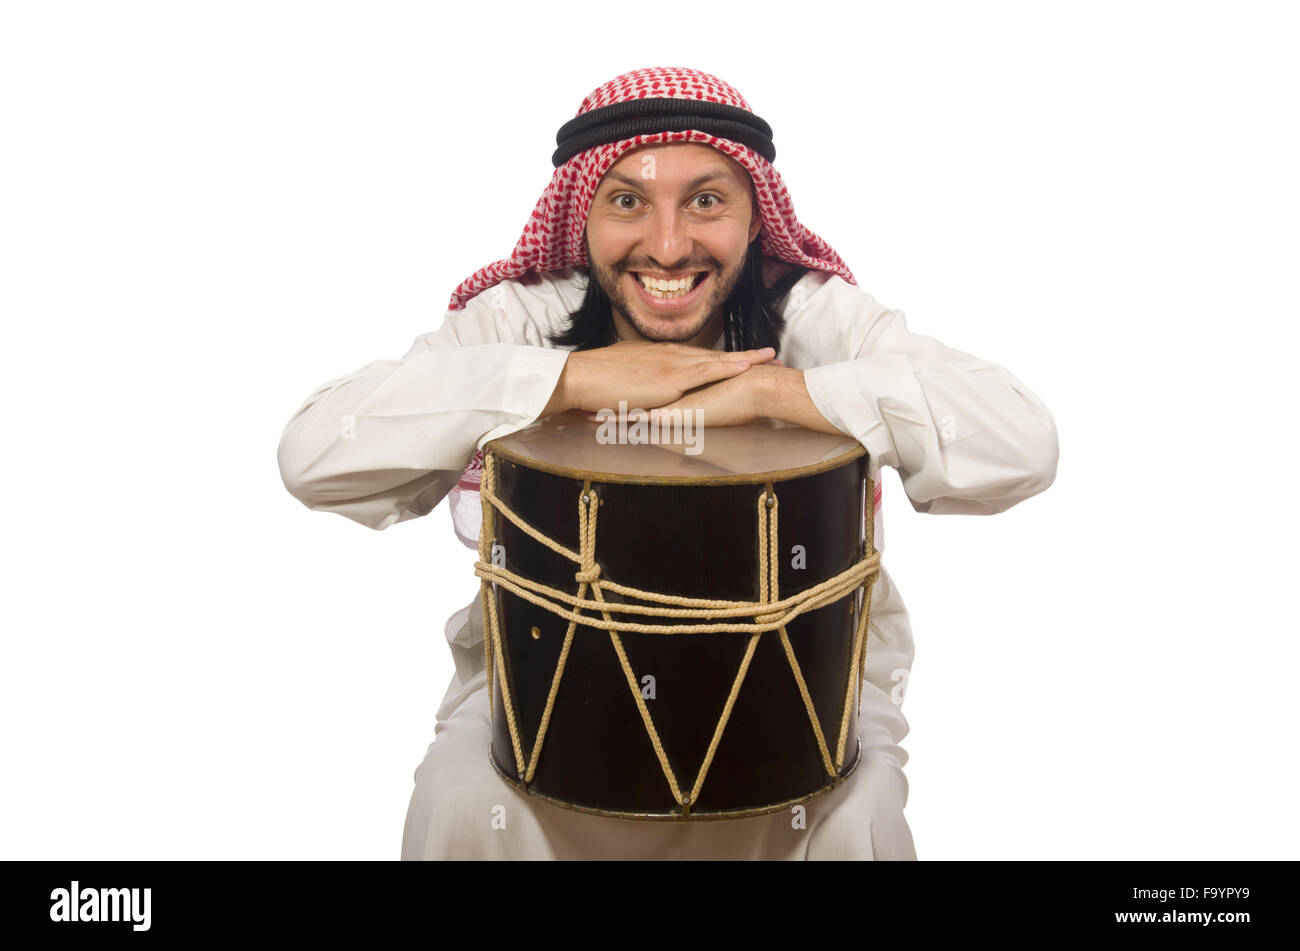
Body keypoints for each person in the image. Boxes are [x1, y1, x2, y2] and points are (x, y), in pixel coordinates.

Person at [276, 66, 1059, 860]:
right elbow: (315, 454)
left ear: (756, 216)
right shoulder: (526, 317)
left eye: (707, 201)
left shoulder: (812, 315)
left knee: (859, 825)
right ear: (581, 214)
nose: (669, 245)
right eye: (627, 202)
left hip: (805, 704)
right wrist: (567, 380)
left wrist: (773, 394)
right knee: (458, 799)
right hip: (536, 698)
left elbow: (1023, 443)